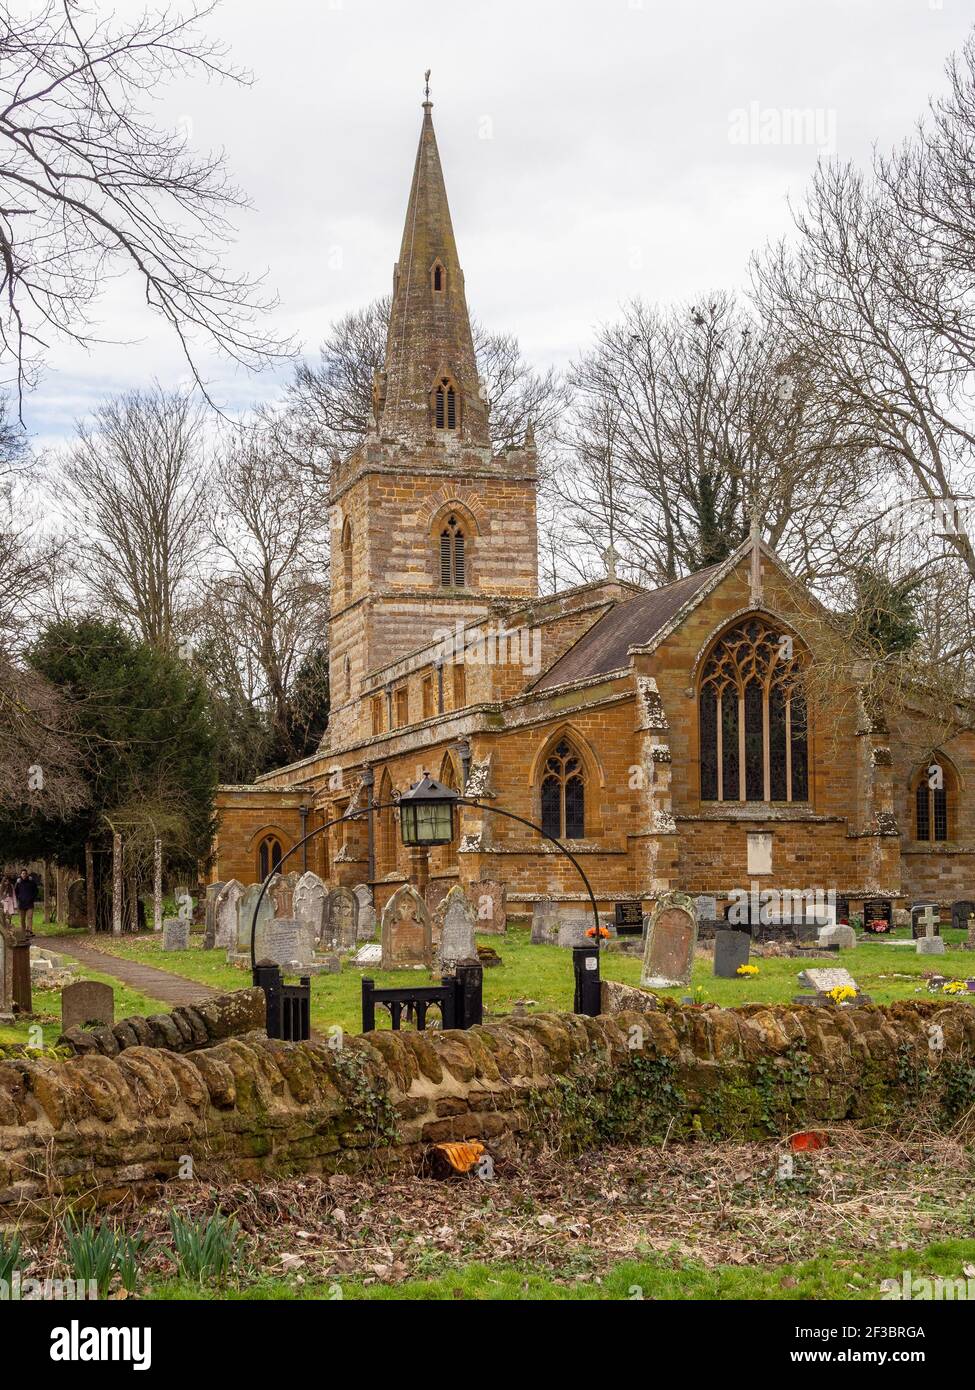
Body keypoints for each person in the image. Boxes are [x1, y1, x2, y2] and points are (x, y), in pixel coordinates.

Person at [13, 868, 38, 933]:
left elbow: (36, 890)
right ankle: (23, 932)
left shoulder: (31, 882)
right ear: (21, 875)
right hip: (21, 903)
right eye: (23, 873)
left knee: (29, 918)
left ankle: (30, 931)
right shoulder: (18, 882)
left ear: (27, 874)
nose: (24, 875)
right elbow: (15, 892)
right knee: (22, 919)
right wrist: (19, 898)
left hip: (30, 903)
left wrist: (33, 898)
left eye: (25, 873)